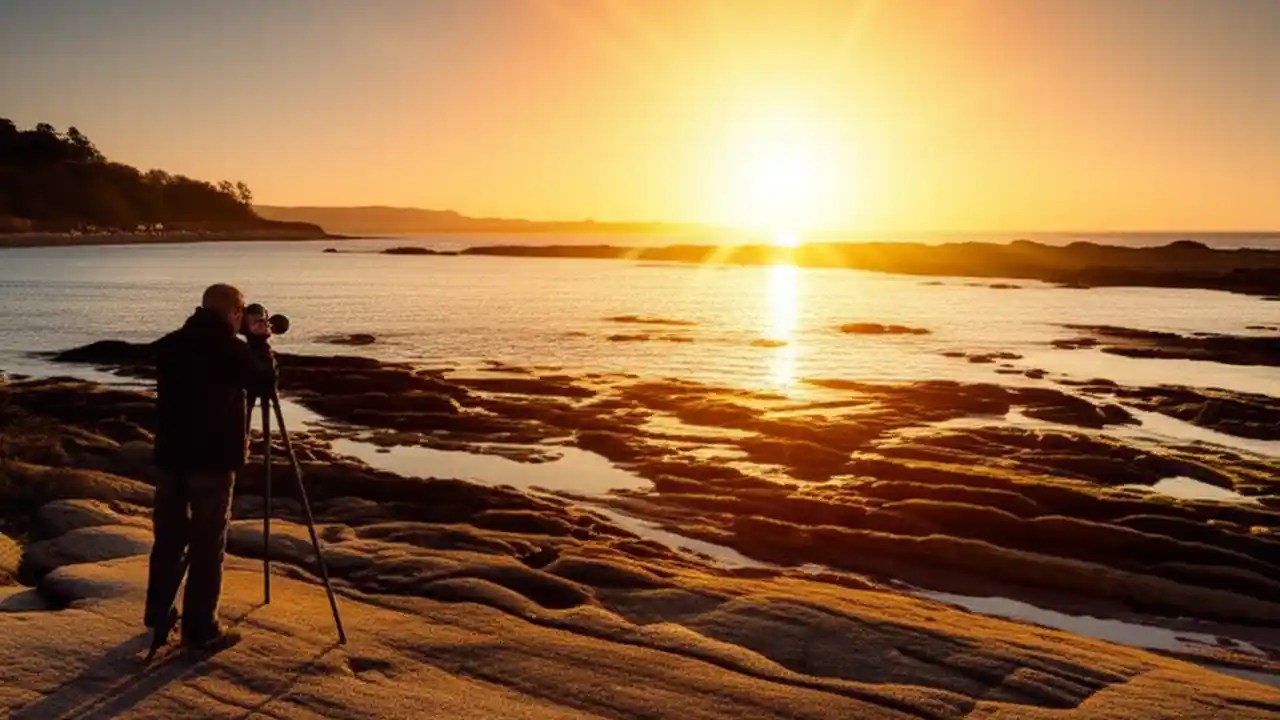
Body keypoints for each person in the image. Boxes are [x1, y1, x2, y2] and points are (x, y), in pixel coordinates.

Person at [144, 283, 276, 650]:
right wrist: (260, 342)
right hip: (213, 462)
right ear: (235, 313)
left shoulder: (170, 344)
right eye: (243, 313)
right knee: (207, 544)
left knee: (168, 540)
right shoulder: (231, 350)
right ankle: (200, 629)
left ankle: (158, 613)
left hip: (171, 459)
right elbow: (264, 382)